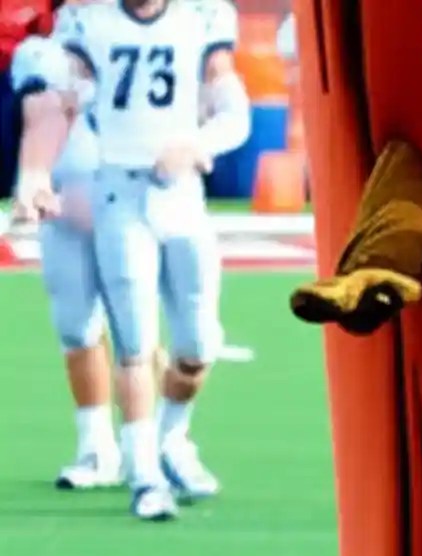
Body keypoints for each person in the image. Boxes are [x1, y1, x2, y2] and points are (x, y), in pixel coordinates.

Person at [35, 0, 250, 521]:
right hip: (119, 194)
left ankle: (172, 439)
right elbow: (63, 100)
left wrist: (197, 143)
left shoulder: (202, 15)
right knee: (135, 343)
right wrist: (38, 172)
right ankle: (144, 474)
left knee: (198, 344)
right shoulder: (90, 22)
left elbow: (234, 110)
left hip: (182, 197)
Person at [10, 8, 119, 490]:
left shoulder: (141, 38)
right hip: (64, 198)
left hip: (132, 198)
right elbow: (42, 112)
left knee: (136, 328)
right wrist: (34, 177)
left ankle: (156, 442)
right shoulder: (41, 52)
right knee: (76, 325)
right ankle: (97, 446)